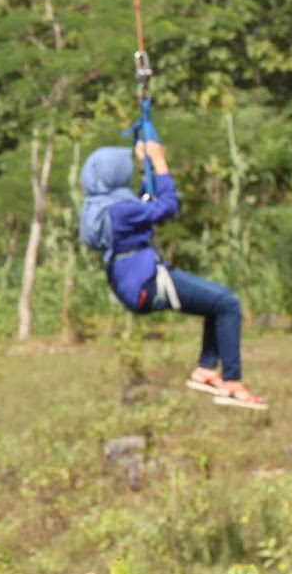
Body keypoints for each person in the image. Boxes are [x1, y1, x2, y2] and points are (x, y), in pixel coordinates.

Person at [79, 140, 267, 410]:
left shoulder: (101, 207)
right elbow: (167, 207)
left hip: (132, 282)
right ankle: (232, 383)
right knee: (228, 304)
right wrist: (159, 163)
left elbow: (144, 204)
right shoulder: (121, 210)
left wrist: (146, 171)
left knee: (215, 305)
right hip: (148, 282)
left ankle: (205, 370)